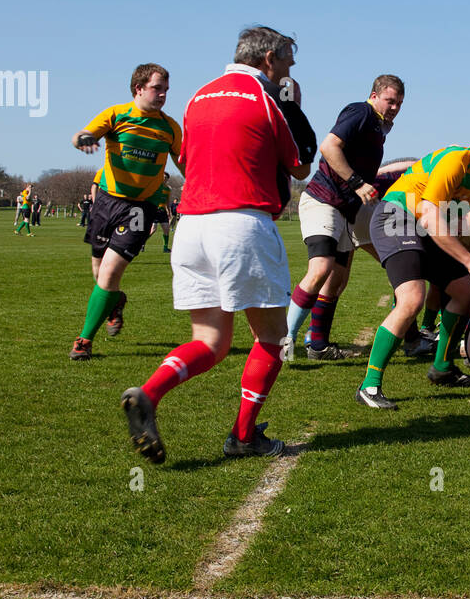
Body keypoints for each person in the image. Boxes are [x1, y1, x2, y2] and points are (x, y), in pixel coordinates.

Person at [120, 26, 314, 459]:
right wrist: (294, 108)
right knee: (272, 337)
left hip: (191, 225)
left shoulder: (198, 96)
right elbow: (301, 166)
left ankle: (149, 394)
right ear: (269, 59)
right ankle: (243, 437)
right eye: (287, 62)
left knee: (210, 341)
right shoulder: (266, 99)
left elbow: (188, 161)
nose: (290, 70)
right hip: (242, 222)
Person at [356, 124, 470, 410]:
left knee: (466, 291)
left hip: (424, 228)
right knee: (411, 298)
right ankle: (369, 385)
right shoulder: (456, 161)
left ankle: (442, 368)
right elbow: (428, 216)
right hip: (395, 216)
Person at [69, 63, 182, 359]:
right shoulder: (116, 115)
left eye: (166, 90)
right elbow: (84, 133)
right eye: (158, 89)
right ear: (139, 88)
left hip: (140, 209)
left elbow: (186, 164)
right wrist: (84, 139)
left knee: (109, 271)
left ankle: (83, 341)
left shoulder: (170, 128)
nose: (163, 95)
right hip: (106, 203)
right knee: (98, 273)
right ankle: (116, 302)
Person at [288, 75, 404, 360]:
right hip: (323, 200)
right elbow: (329, 147)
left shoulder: (378, 126)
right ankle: (282, 340)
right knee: (320, 270)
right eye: (390, 101)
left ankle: (317, 345)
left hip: (346, 209)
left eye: (399, 103)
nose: (394, 108)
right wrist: (357, 182)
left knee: (337, 279)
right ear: (374, 95)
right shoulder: (361, 111)